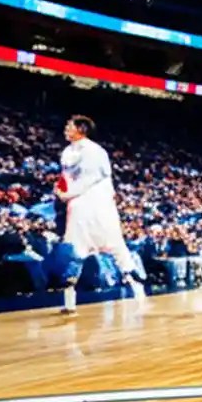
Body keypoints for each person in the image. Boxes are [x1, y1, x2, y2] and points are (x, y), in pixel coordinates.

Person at [54, 114, 147, 315]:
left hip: (98, 205)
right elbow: (67, 179)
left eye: (69, 125)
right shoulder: (67, 152)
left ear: (81, 130)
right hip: (77, 207)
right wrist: (61, 192)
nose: (66, 128)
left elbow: (90, 179)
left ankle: (137, 290)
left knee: (115, 245)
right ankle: (69, 303)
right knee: (75, 251)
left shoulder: (95, 151)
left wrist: (67, 193)